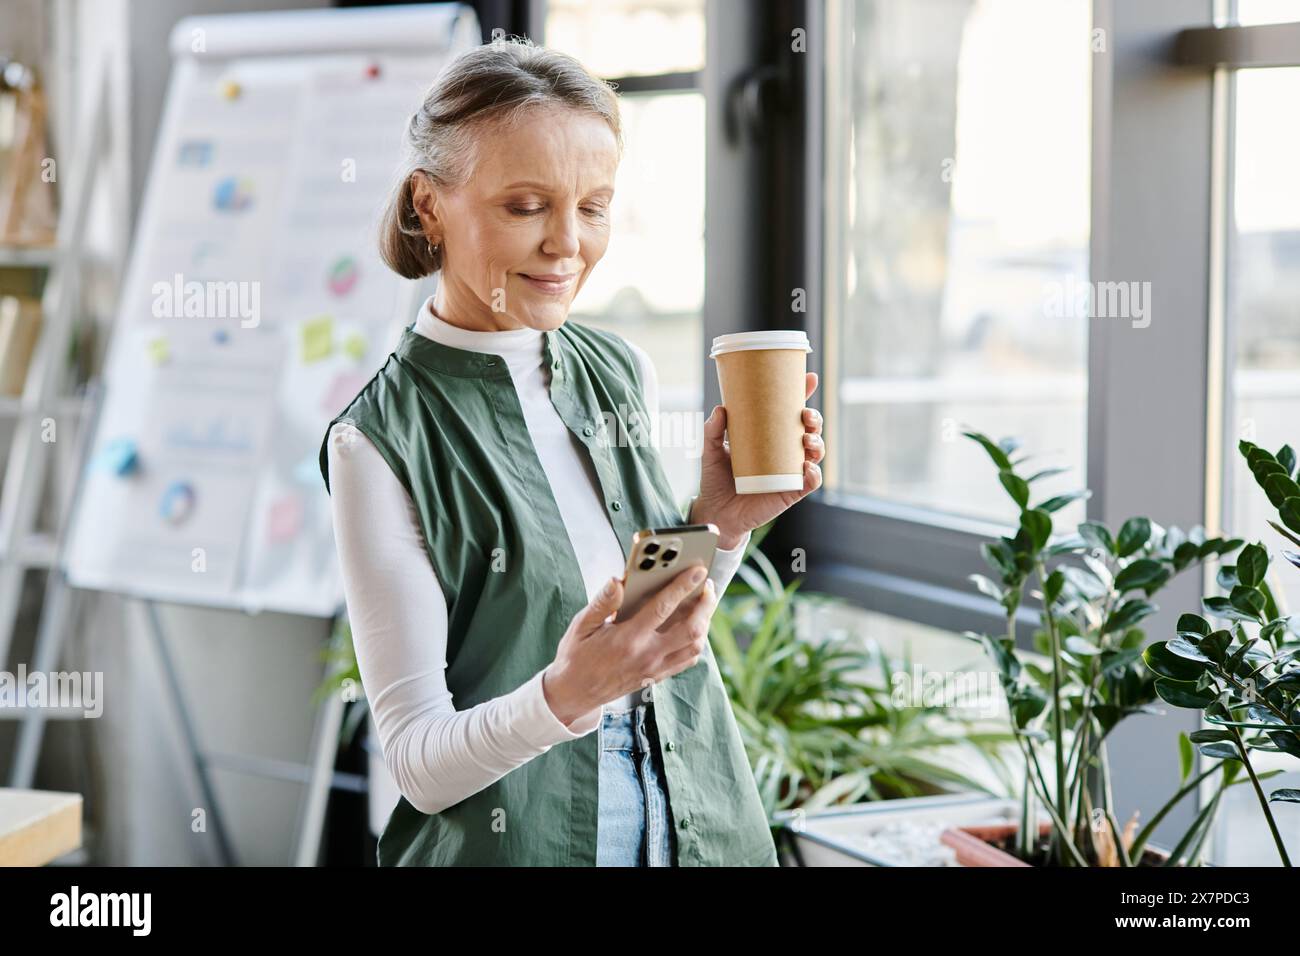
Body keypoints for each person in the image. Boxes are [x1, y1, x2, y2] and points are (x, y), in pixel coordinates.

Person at [320, 36, 825, 867]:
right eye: (526, 207)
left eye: (592, 207)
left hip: (695, 821)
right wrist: (568, 695)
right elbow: (418, 764)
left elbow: (645, 625)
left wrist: (720, 523)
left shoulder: (616, 371)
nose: (568, 244)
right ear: (429, 205)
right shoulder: (378, 442)